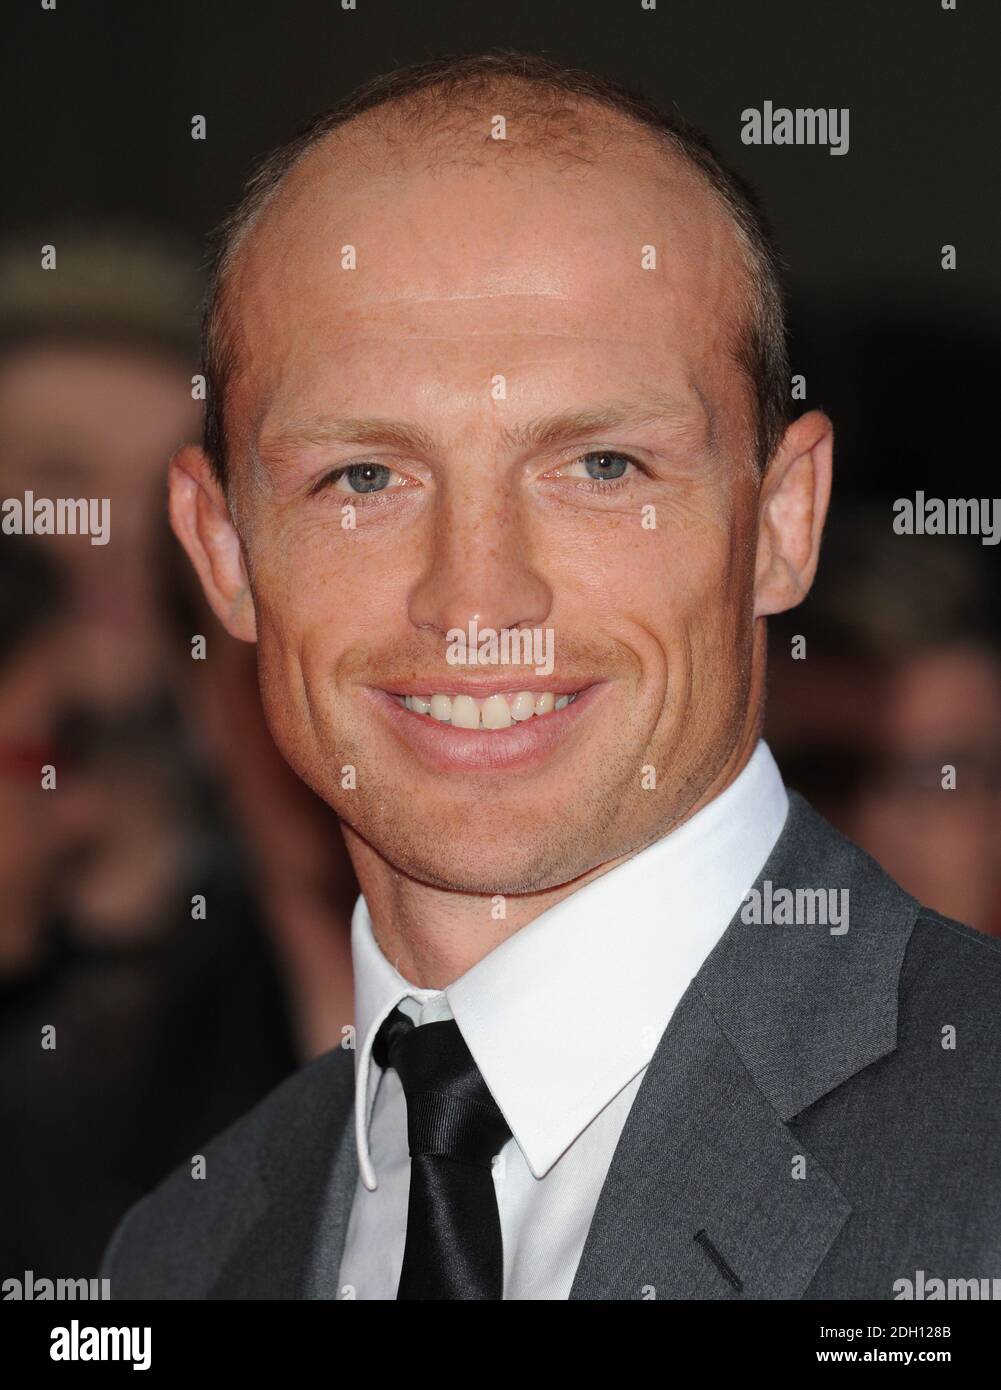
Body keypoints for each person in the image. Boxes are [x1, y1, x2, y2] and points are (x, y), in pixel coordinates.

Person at [100, 52, 1001, 1301]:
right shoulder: (174, 1257)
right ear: (223, 549)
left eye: (599, 468)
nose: (476, 601)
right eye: (364, 477)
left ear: (783, 521)